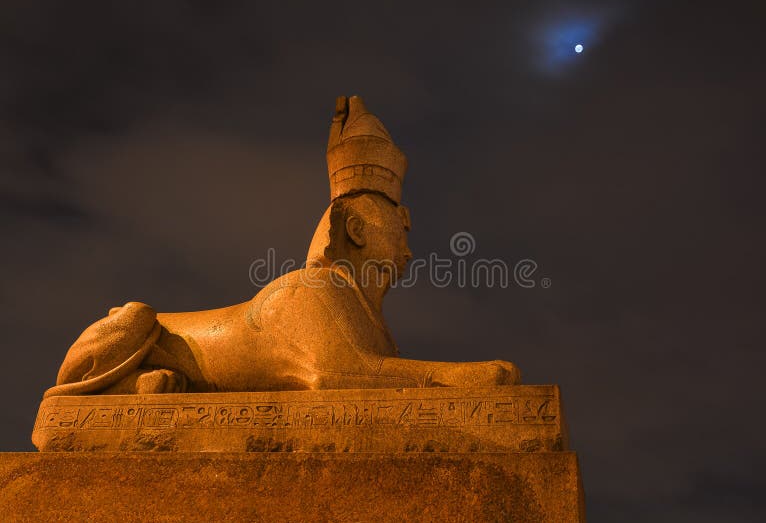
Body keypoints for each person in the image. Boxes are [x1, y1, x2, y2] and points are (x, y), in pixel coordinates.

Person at [44, 96, 520, 397]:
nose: (409, 252)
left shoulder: (364, 315)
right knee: (135, 316)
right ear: (354, 229)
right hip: (135, 344)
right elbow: (332, 378)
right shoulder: (309, 292)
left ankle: (130, 387)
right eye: (399, 230)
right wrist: (461, 378)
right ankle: (116, 384)